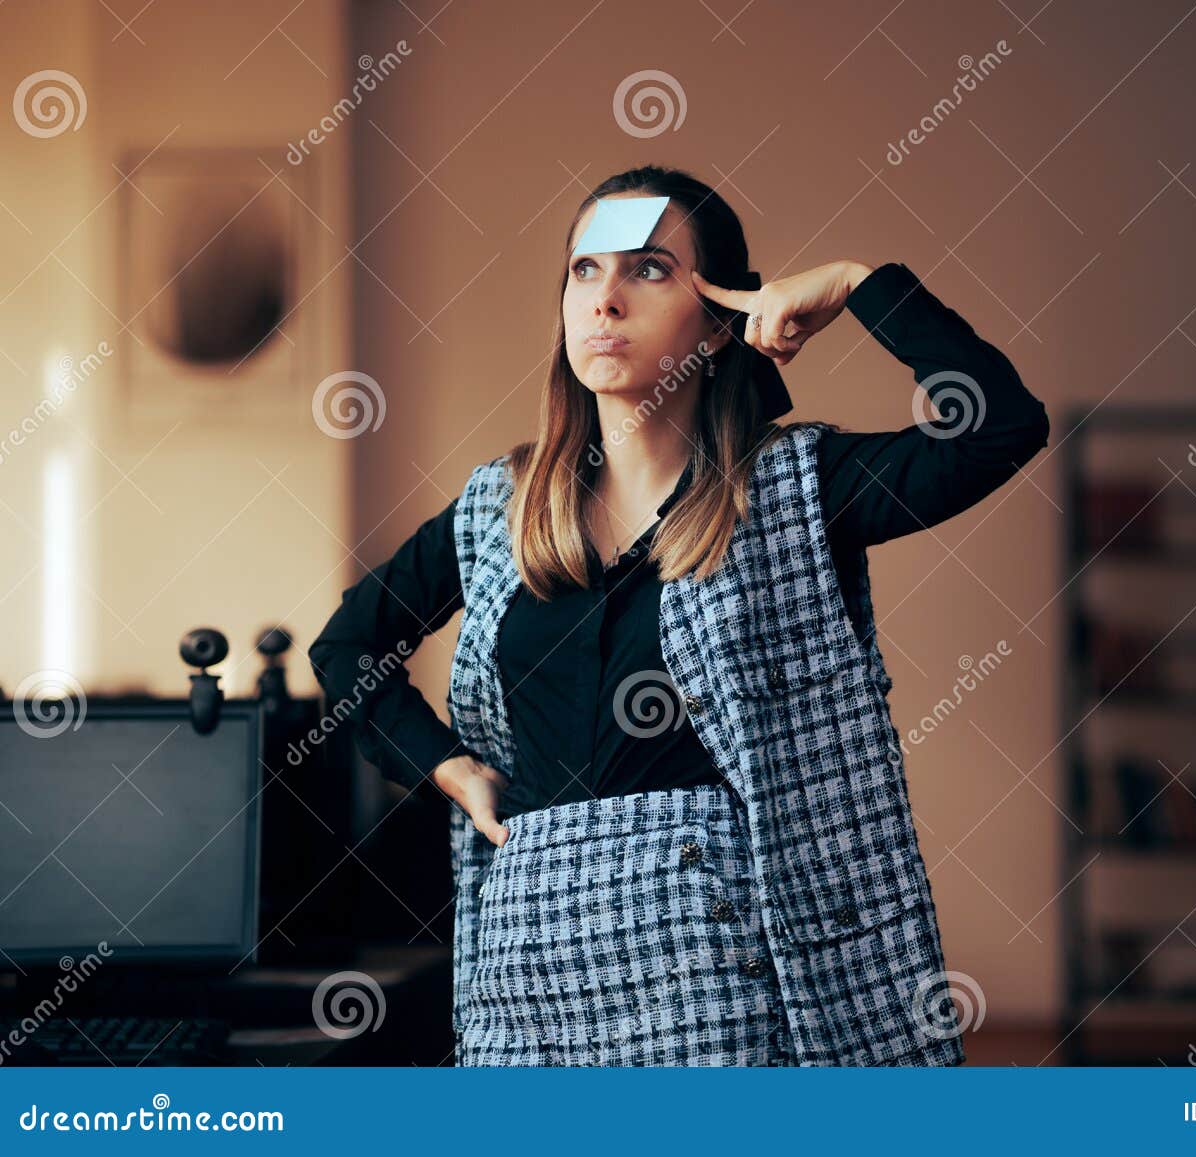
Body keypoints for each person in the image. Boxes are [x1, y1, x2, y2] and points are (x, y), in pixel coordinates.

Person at [307, 164, 1049, 1065]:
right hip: (524, 981)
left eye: (649, 269)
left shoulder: (793, 488)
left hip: (714, 978)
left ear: (715, 321)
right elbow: (348, 645)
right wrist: (449, 769)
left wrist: (860, 286)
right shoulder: (497, 507)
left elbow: (1000, 427)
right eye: (584, 271)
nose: (606, 298)